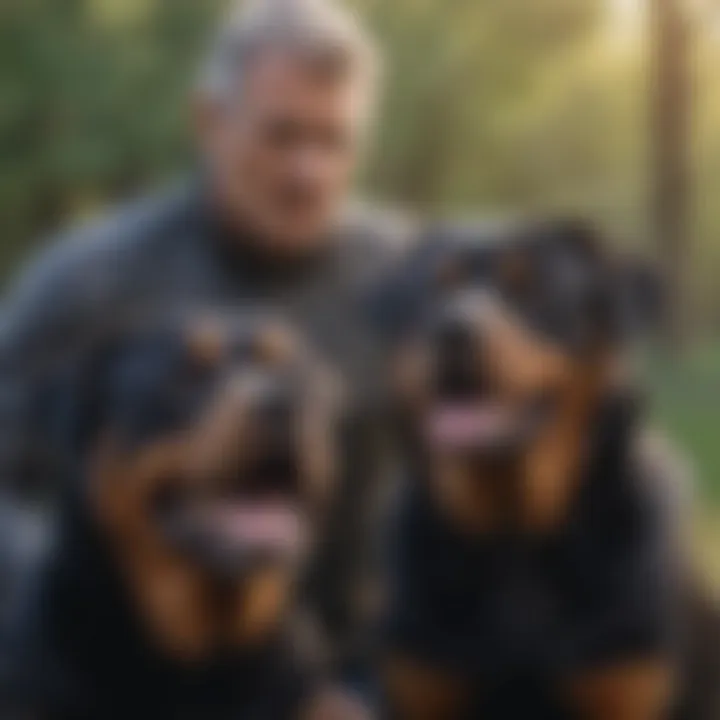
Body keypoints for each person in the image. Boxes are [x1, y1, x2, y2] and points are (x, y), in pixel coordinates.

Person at [0, 0, 413, 672]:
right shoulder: (92, 282)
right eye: (281, 137)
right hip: (118, 667)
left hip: (347, 667)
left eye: (334, 142)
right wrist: (73, 605)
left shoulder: (405, 285)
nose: (309, 173)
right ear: (209, 121)